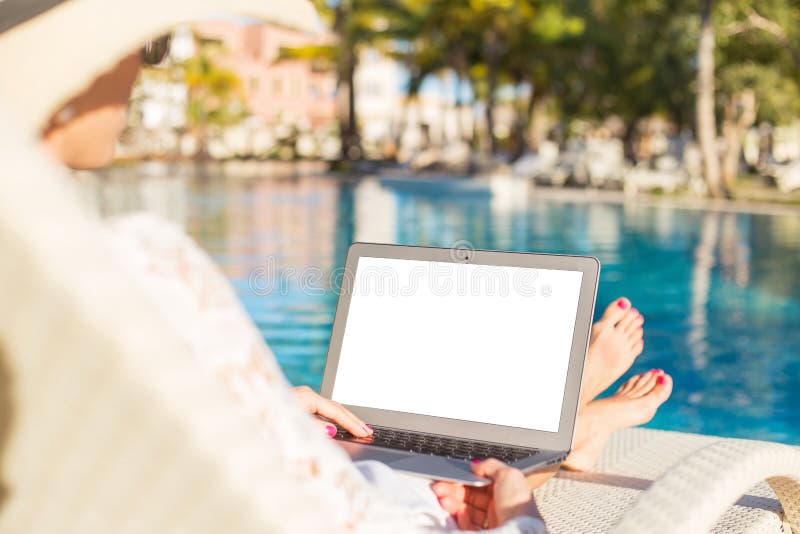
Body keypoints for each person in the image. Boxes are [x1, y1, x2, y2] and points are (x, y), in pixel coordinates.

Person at [1, 0, 672, 530]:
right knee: (469, 479)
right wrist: (520, 519)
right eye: (151, 44)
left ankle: (563, 418)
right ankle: (576, 421)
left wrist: (259, 414)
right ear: (74, 70)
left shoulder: (37, 275)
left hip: (178, 490)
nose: (147, 67)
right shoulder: (142, 261)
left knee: (358, 441)